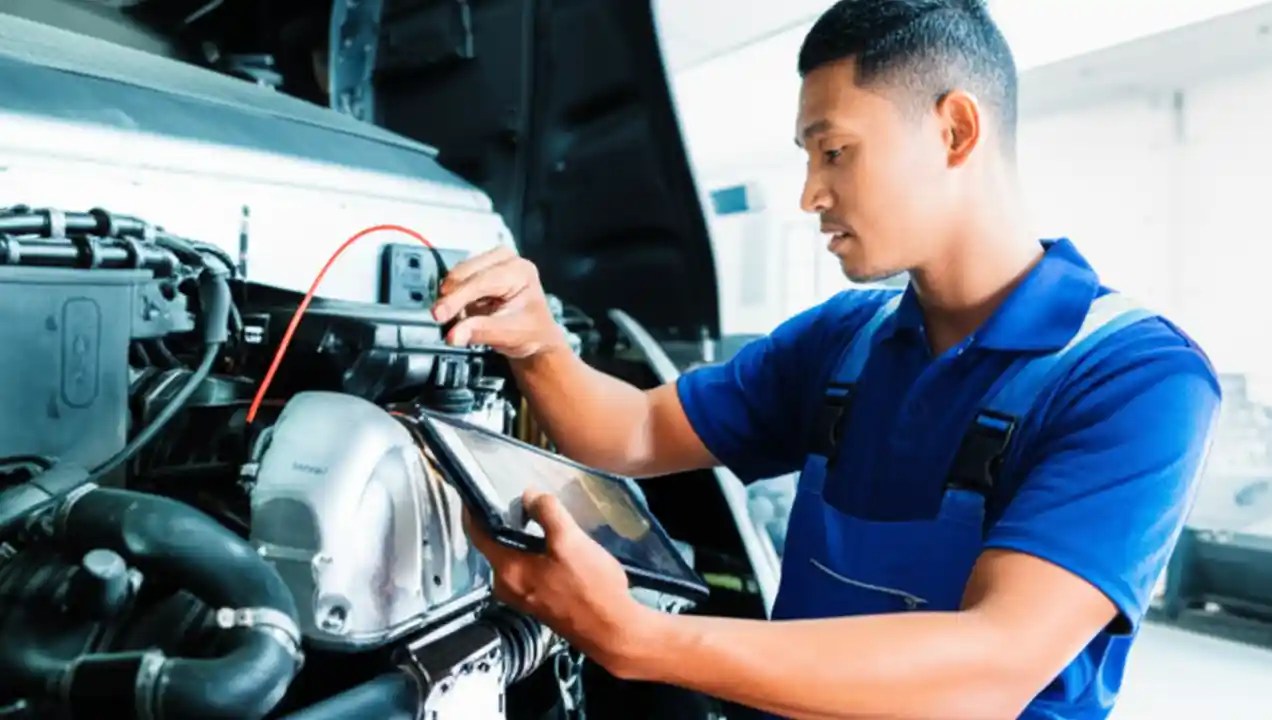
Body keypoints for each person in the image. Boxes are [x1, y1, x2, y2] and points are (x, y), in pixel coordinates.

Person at [430, 0, 1222, 717]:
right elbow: (634, 432)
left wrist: (639, 638)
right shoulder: (845, 338)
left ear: (955, 130)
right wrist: (537, 343)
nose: (810, 193)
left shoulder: (1137, 380)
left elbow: (991, 666)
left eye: (834, 151)